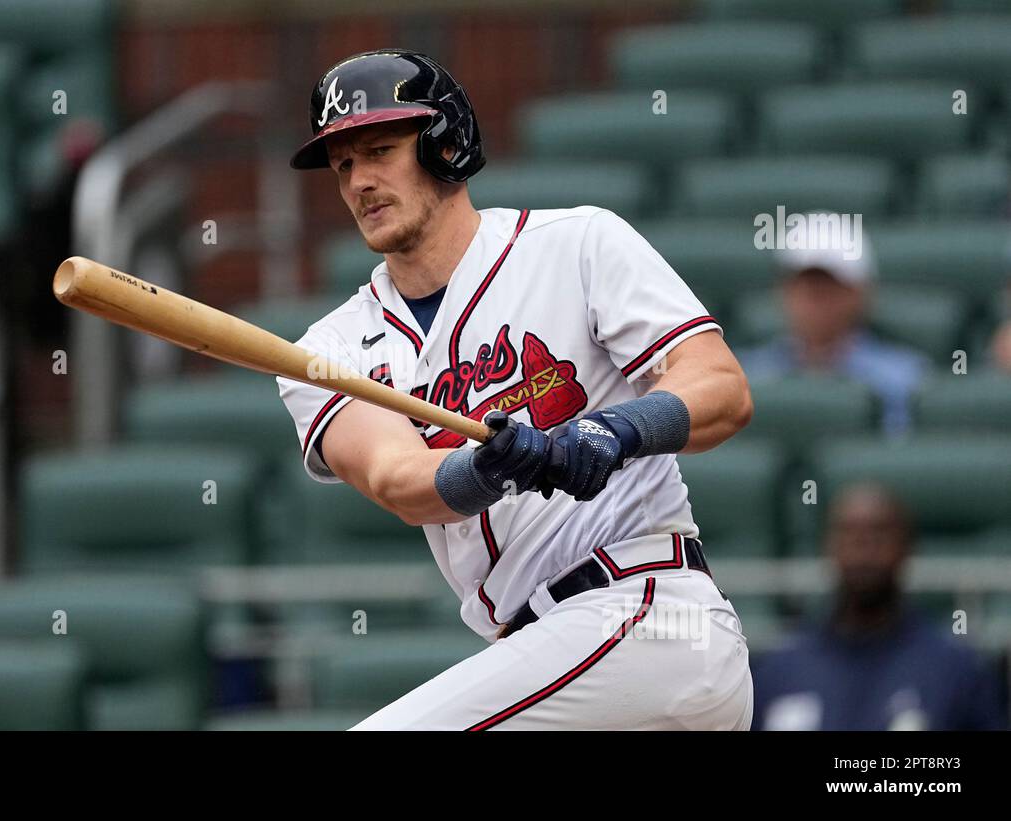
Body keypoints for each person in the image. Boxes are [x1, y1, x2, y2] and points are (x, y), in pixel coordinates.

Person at [277, 50, 754, 730]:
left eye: (380, 149)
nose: (359, 181)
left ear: (445, 142)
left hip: (647, 616)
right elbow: (399, 477)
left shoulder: (577, 245)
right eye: (344, 164)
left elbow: (721, 387)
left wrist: (615, 431)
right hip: (543, 658)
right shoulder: (330, 347)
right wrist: (485, 466)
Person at [752, 482, 1006, 731]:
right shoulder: (778, 670)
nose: (864, 549)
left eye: (879, 534)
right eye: (850, 534)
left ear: (908, 547)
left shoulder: (957, 670)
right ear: (828, 546)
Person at [737, 227, 928, 435]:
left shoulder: (905, 378)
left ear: (861, 293)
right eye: (805, 286)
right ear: (783, 292)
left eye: (829, 286)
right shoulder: (746, 376)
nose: (814, 299)